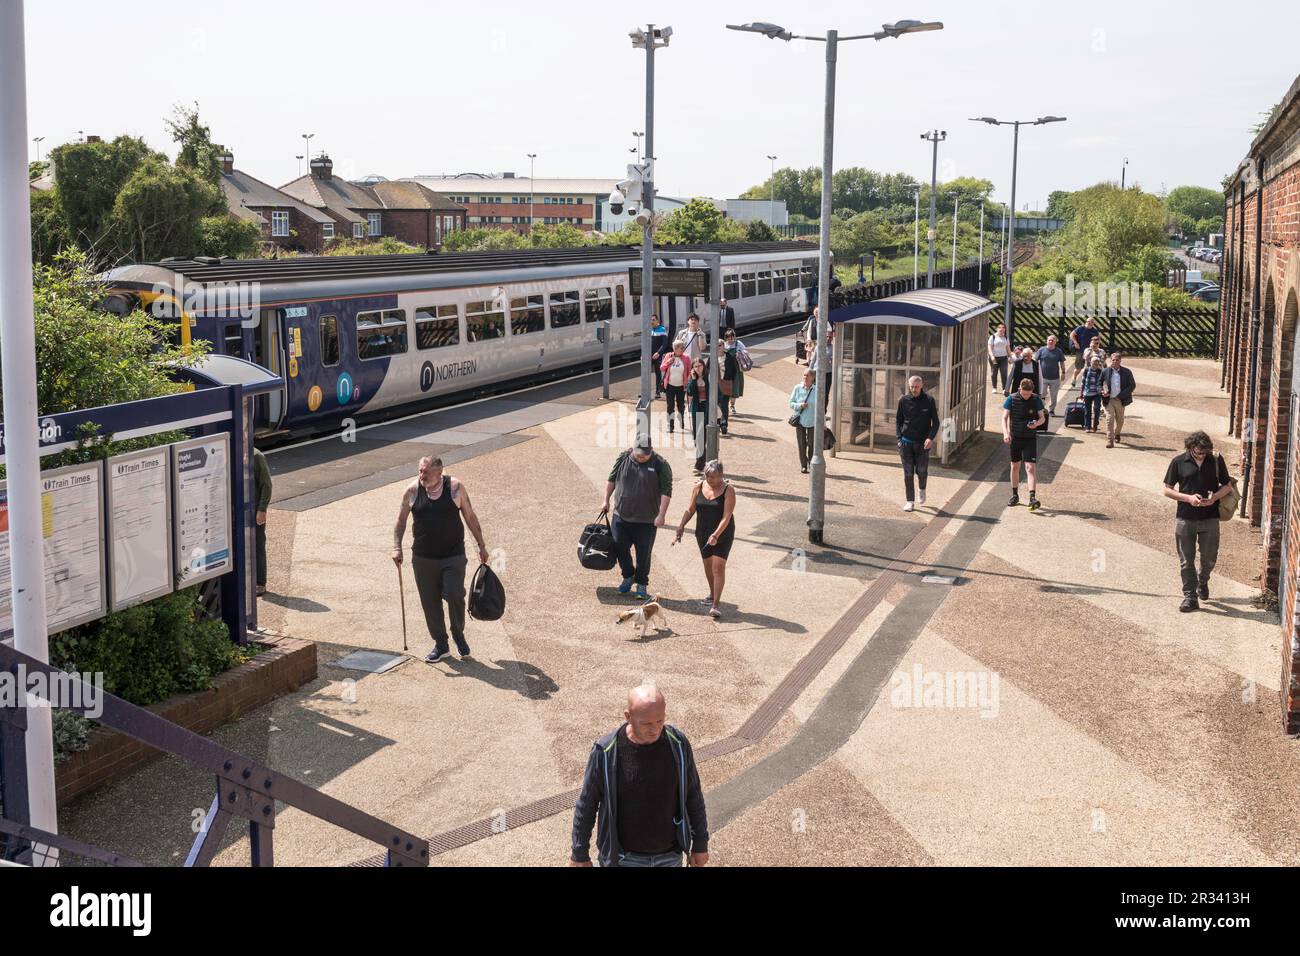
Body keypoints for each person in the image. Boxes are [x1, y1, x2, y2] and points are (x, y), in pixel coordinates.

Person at [569, 684, 709, 868]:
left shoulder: (678, 744)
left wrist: (700, 843)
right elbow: (587, 804)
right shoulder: (606, 751)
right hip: (623, 859)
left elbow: (693, 795)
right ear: (628, 717)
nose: (655, 729)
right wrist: (579, 853)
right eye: (646, 723)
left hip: (670, 857)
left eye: (660, 721)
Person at [393, 456, 490, 662]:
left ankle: (458, 633)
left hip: (453, 555)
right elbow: (401, 519)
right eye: (419, 471)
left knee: (455, 594)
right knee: (430, 602)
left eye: (425, 472)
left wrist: (482, 546)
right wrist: (397, 547)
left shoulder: (455, 488)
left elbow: (470, 517)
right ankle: (441, 644)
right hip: (423, 558)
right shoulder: (412, 491)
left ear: (439, 472)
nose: (421, 476)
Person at [1162, 431, 1231, 612]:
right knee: (1186, 561)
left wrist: (1214, 497)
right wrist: (1188, 498)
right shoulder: (1178, 461)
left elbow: (1227, 486)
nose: (1201, 455)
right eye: (1198, 452)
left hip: (1210, 517)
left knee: (1209, 558)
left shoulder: (1215, 460)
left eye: (1204, 453)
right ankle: (1190, 596)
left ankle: (1203, 581)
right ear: (1190, 448)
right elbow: (1167, 490)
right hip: (1185, 518)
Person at [601, 439, 673, 602]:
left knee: (643, 555)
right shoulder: (623, 458)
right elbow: (611, 479)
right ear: (633, 449)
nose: (641, 458)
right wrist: (606, 499)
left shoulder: (661, 464)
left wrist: (661, 515)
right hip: (621, 515)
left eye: (645, 456)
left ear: (651, 451)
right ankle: (628, 575)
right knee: (619, 547)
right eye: (639, 455)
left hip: (646, 520)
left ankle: (641, 583)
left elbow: (666, 491)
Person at [672, 459, 736, 620]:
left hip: (723, 533)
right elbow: (690, 508)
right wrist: (681, 526)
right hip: (702, 532)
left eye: (714, 477)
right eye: (708, 477)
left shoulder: (729, 490)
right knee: (707, 564)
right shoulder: (698, 487)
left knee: (718, 567)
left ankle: (716, 604)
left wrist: (716, 535)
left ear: (721, 475)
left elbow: (726, 517)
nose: (711, 480)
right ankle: (712, 593)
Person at [896, 375, 940, 512]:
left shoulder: (929, 400)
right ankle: (910, 501)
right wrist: (899, 439)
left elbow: (936, 422)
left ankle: (922, 489)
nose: (914, 389)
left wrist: (930, 438)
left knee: (921, 472)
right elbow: (898, 420)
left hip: (922, 444)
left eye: (916, 387)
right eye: (911, 387)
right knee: (908, 473)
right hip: (906, 443)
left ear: (921, 386)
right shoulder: (903, 400)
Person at [1002, 377, 1046, 510]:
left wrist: (1036, 424)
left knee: (1030, 467)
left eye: (1029, 394)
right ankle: (1015, 495)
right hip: (1015, 437)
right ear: (1020, 389)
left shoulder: (1036, 399)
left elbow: (1042, 418)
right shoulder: (1012, 398)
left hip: (1030, 438)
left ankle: (1032, 497)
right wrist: (1005, 433)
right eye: (1024, 393)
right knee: (1015, 466)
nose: (1026, 396)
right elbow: (1004, 418)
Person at [1100, 352, 1137, 448]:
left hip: (1120, 400)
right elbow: (1098, 384)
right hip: (1109, 400)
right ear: (1111, 360)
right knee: (1109, 419)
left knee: (1120, 421)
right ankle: (1110, 440)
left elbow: (1132, 385)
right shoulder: (1105, 371)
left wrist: (1121, 396)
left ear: (1120, 361)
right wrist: (1102, 391)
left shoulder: (1127, 372)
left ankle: (1117, 433)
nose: (1115, 362)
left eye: (1117, 360)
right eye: (1113, 360)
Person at [789, 368, 817, 474]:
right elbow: (791, 403)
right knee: (801, 444)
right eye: (804, 375)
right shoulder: (797, 388)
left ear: (812, 378)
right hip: (800, 421)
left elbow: (820, 408)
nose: (805, 377)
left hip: (812, 421)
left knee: (811, 444)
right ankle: (803, 465)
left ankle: (812, 464)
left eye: (807, 376)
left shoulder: (816, 390)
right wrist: (799, 405)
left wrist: (822, 423)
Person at [685, 358, 710, 475]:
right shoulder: (692, 379)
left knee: (702, 438)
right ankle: (704, 461)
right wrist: (694, 380)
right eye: (695, 366)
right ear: (693, 368)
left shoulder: (709, 377)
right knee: (697, 438)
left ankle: (699, 464)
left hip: (707, 409)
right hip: (697, 409)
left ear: (703, 366)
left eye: (700, 365)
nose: (698, 368)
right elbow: (690, 392)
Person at [253, 447, 272, 597]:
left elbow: (266, 485)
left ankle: (260, 582)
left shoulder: (257, 456)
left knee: (258, 544)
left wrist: (262, 509)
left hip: (254, 509)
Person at [659, 340, 689, 433]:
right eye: (681, 348)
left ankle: (681, 419)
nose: (682, 350)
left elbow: (689, 371)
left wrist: (687, 382)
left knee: (680, 405)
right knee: (670, 406)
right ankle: (670, 425)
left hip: (681, 386)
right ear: (675, 349)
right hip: (670, 386)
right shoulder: (669, 356)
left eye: (683, 348)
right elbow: (662, 368)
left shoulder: (686, 358)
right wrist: (668, 362)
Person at [1035, 335, 1067, 418]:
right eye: (1049, 340)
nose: (1051, 341)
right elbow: (1035, 361)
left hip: (1055, 378)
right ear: (1046, 341)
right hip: (1043, 378)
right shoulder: (1041, 350)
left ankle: (1051, 410)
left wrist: (1063, 373)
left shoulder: (1058, 351)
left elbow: (1062, 362)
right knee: (1042, 394)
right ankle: (1041, 409)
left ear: (1055, 342)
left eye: (1052, 340)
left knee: (1054, 396)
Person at [723, 327, 748, 416]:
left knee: (735, 388)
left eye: (731, 337)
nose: (730, 339)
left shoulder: (739, 344)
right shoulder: (723, 345)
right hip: (725, 369)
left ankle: (732, 405)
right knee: (725, 387)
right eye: (728, 337)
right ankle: (725, 405)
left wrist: (740, 353)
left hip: (737, 370)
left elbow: (746, 352)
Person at [1069, 317, 1100, 387]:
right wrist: (1075, 342)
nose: (1089, 323)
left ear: (1093, 324)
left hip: (1090, 352)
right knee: (1078, 368)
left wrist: (1097, 348)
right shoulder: (1080, 328)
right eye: (1088, 321)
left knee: (1091, 367)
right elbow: (1072, 334)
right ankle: (1074, 378)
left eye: (1091, 322)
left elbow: (1098, 340)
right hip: (1080, 351)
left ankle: (1089, 383)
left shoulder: (1094, 331)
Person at [714, 342, 737, 435]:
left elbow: (735, 370)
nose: (718, 347)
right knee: (715, 405)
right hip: (715, 385)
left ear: (723, 346)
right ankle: (718, 422)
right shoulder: (713, 357)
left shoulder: (729, 357)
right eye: (716, 345)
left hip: (725, 384)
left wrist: (729, 379)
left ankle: (724, 424)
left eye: (720, 345)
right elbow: (706, 369)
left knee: (724, 405)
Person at [1080, 356, 1105, 433]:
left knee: (1097, 409)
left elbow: (1103, 382)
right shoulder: (1086, 370)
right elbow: (1083, 381)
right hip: (1087, 392)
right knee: (1088, 411)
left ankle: (1095, 425)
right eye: (1094, 364)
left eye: (1097, 364)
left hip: (1097, 393)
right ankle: (1087, 426)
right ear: (1090, 363)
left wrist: (1103, 391)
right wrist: (1081, 392)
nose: (1095, 365)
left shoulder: (1100, 371)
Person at [649, 315, 669, 398]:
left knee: (658, 373)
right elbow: (646, 343)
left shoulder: (662, 329)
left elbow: (664, 344)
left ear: (657, 321)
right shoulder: (649, 329)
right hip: (649, 355)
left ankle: (658, 391)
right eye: (651, 320)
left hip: (657, 355)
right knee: (646, 373)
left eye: (653, 320)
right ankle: (645, 391)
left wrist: (658, 353)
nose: (652, 322)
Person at [988, 323, 1010, 393]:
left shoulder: (1006, 338)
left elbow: (1008, 348)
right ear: (997, 328)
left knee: (1004, 373)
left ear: (1005, 329)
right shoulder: (993, 337)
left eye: (1003, 328)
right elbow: (989, 347)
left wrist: (1010, 357)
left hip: (1003, 358)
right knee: (994, 373)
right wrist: (991, 356)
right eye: (1000, 327)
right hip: (994, 358)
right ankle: (994, 387)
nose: (1002, 329)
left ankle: (1004, 389)